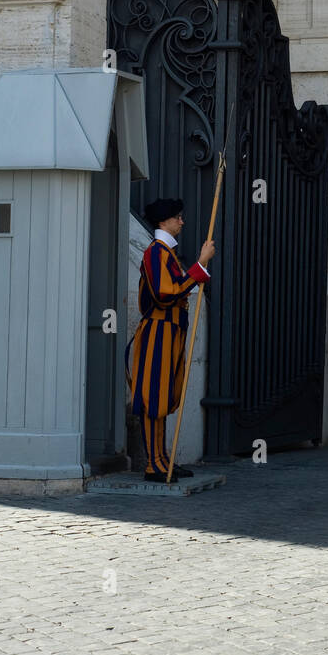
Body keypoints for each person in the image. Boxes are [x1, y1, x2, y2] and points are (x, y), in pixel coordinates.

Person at [125, 198, 215, 483]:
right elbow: (166, 293)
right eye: (178, 217)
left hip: (171, 332)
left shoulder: (166, 253)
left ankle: (162, 459)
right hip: (158, 332)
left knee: (165, 398)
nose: (182, 222)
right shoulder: (156, 253)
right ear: (164, 221)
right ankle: (154, 464)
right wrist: (199, 266)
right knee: (154, 399)